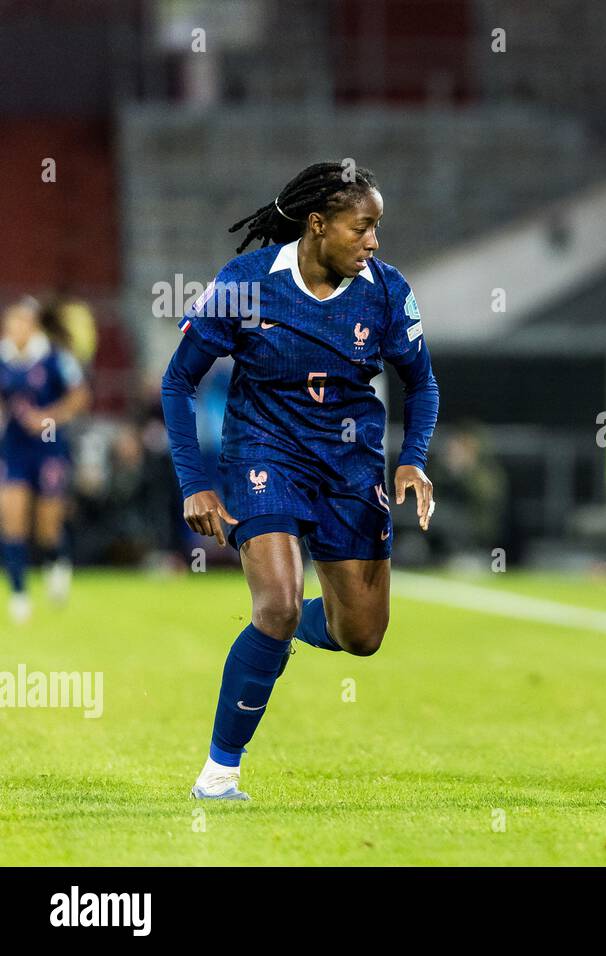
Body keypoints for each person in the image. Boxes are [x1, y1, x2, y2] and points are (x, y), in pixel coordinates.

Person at [160, 162, 439, 800]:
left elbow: (421, 380)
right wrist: (193, 482)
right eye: (362, 227)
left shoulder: (388, 292)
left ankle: (283, 630)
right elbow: (178, 380)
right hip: (266, 452)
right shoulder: (246, 284)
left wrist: (412, 458)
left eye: (377, 228)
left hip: (351, 464)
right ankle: (219, 772)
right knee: (278, 605)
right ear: (318, 225)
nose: (374, 241)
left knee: (361, 635)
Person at [0, 296, 90, 623]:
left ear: (32, 326)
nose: (12, 330)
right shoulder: (4, 359)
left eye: (18, 324)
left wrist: (48, 417)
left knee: (47, 527)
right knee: (12, 518)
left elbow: (80, 396)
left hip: (49, 449)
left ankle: (56, 561)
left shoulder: (55, 358)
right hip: (14, 449)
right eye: (9, 325)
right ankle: (19, 596)